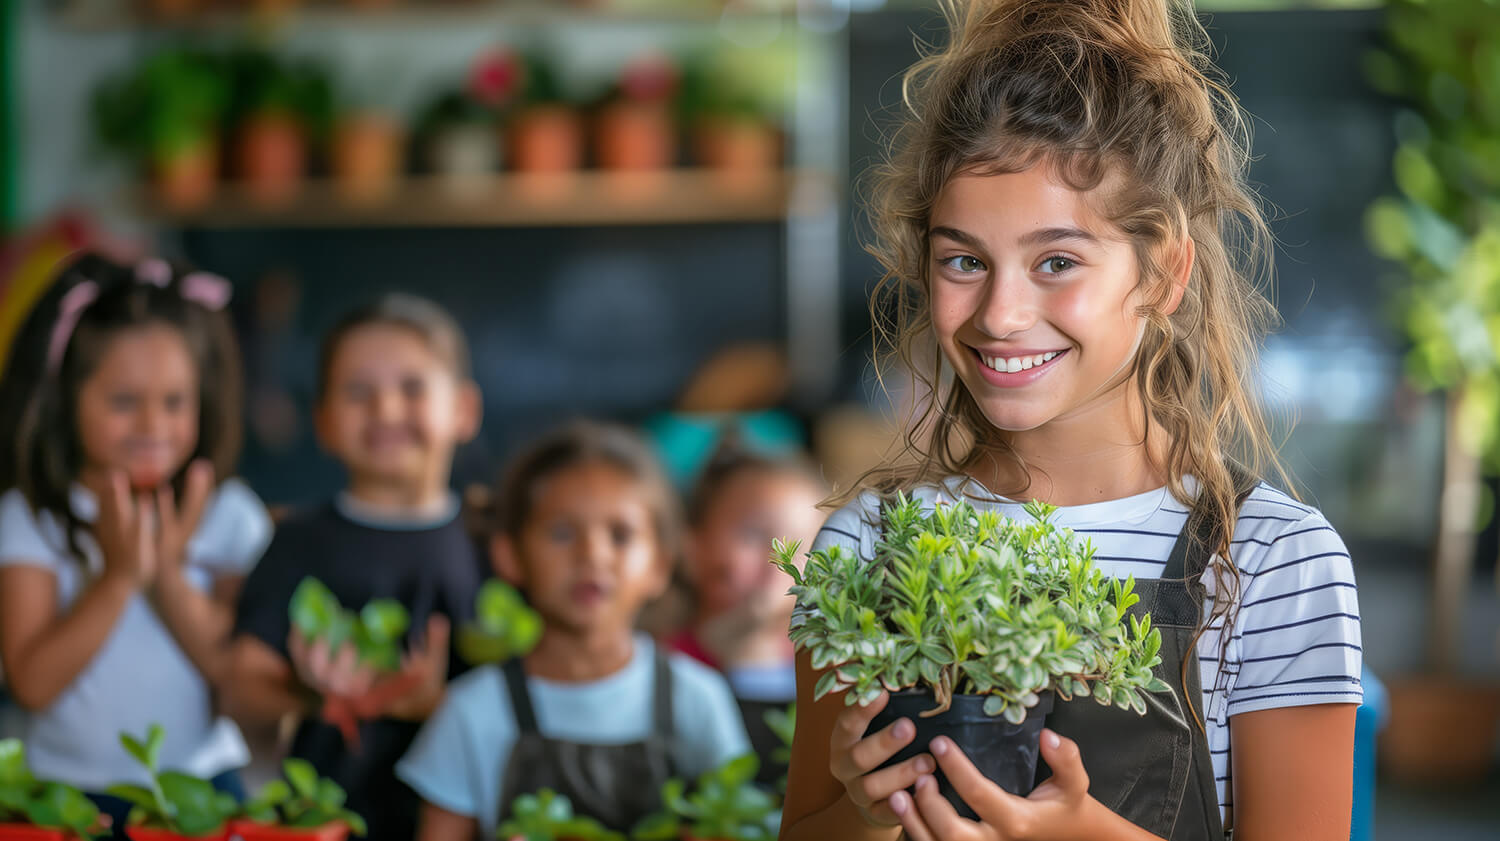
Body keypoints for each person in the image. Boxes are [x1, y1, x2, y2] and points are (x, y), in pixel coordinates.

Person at [778, 2, 1362, 841]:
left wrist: (1082, 831)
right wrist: (867, 816)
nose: (1001, 314)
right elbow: (806, 830)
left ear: (1163, 272)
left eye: (1057, 261)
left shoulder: (1272, 565)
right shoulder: (868, 547)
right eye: (964, 261)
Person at [0, 253, 271, 837]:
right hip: (64, 793)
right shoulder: (30, 517)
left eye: (175, 402)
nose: (153, 425)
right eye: (123, 402)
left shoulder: (228, 515)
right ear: (65, 402)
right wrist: (119, 577)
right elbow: (32, 683)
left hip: (201, 788)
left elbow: (236, 674)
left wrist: (166, 574)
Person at [397, 420, 751, 838]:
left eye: (620, 535)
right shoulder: (470, 712)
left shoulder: (697, 698)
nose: (593, 554)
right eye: (563, 532)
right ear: (509, 555)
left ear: (660, 564)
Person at [224, 294, 485, 841]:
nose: (386, 409)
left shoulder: (494, 541)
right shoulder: (298, 540)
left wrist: (438, 706)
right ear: (322, 421)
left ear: (464, 410)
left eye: (412, 388)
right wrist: (316, 694)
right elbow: (242, 684)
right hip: (324, 819)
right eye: (358, 391)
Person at [666, 440, 825, 784]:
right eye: (753, 534)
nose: (779, 559)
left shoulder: (826, 670)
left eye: (801, 543)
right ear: (692, 547)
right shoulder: (663, 670)